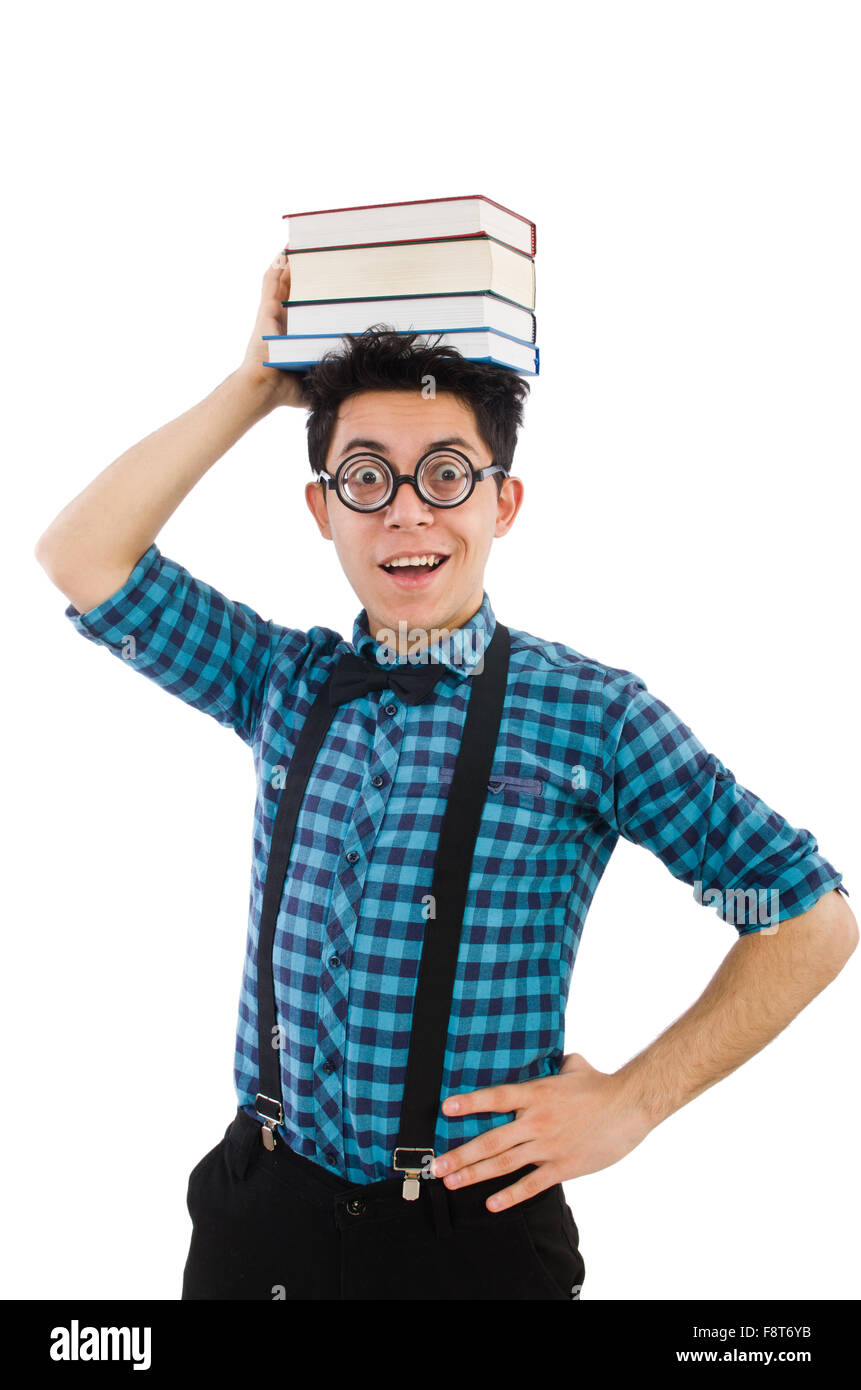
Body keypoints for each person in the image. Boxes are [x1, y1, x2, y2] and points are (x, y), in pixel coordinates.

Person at [34, 249, 857, 1301]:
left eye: (447, 474)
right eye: (367, 477)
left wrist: (636, 1101)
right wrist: (254, 383)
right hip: (260, 1218)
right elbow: (83, 555)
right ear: (322, 508)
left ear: (503, 501)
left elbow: (807, 914)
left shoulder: (591, 714)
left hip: (470, 1245)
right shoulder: (283, 680)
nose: (408, 513)